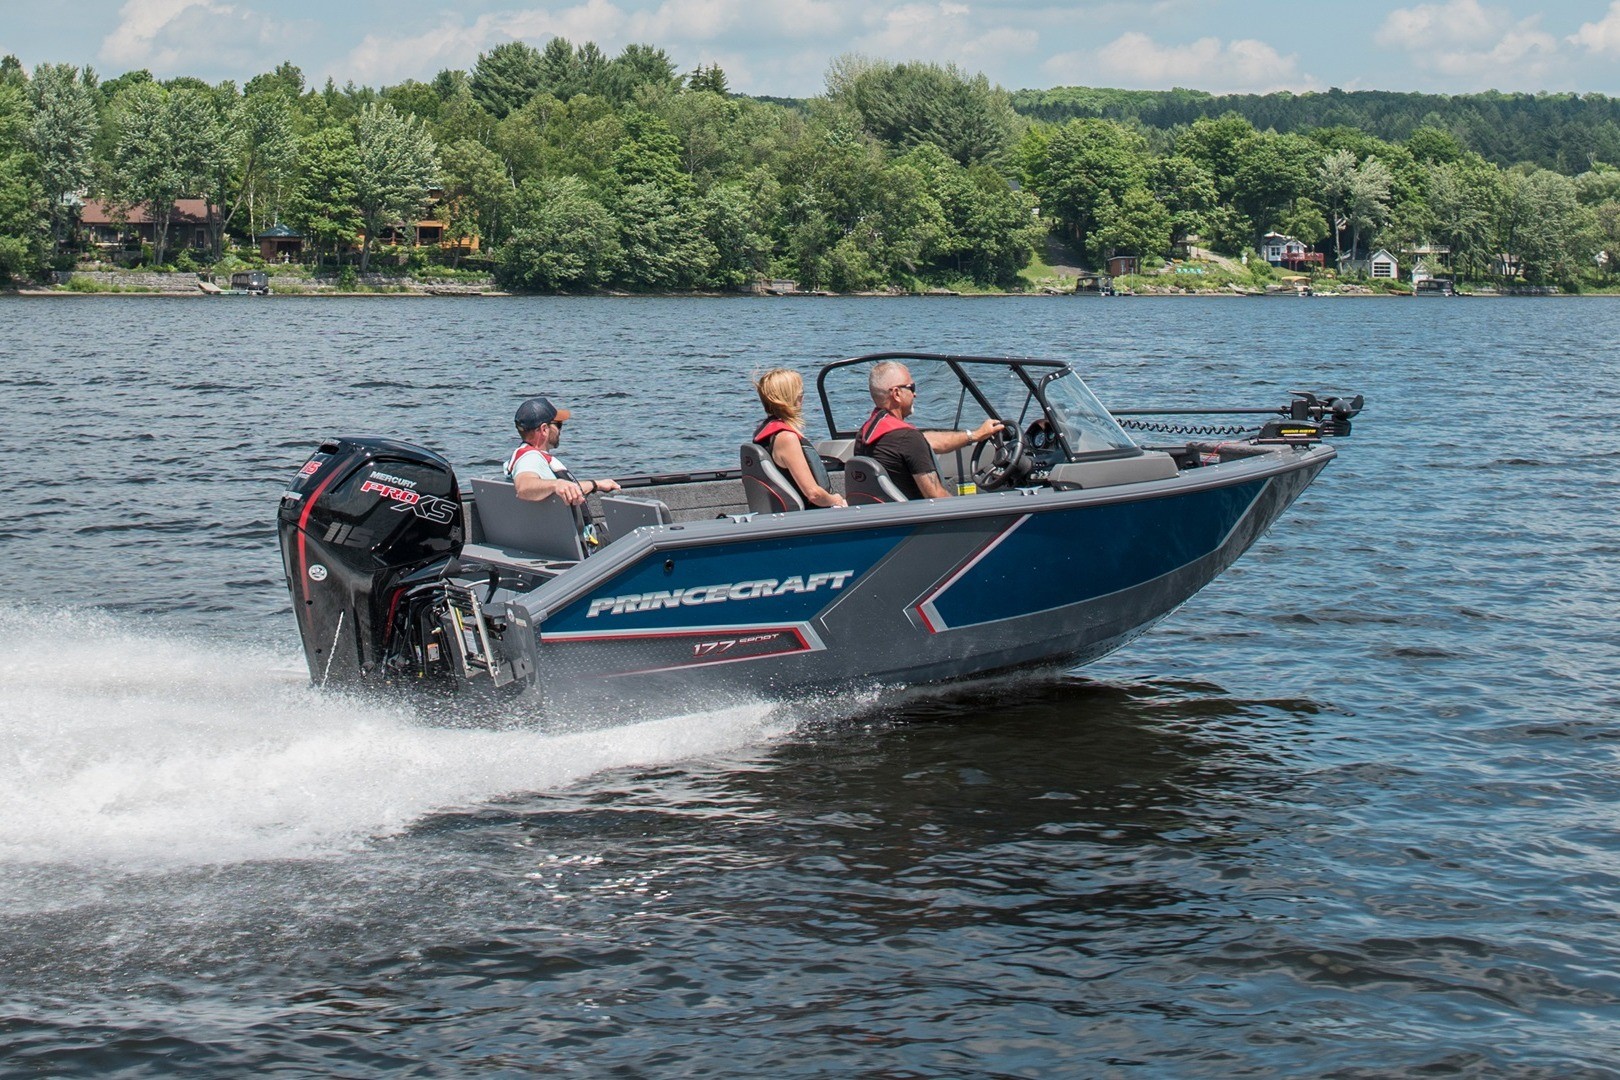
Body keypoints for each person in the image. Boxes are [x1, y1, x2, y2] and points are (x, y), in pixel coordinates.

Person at [854, 360, 1004, 500]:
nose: (915, 394)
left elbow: (925, 441)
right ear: (897, 394)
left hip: (887, 514)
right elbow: (936, 497)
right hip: (917, 517)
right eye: (911, 388)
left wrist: (975, 435)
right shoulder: (908, 439)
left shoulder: (866, 434)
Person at [752, 369, 846, 508]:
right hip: (811, 515)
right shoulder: (786, 438)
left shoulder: (765, 433)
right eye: (800, 394)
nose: (803, 399)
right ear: (790, 399)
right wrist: (836, 500)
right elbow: (814, 494)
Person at [505, 396, 620, 506]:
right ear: (544, 429)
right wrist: (557, 484)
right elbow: (524, 487)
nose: (560, 430)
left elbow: (567, 487)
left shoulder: (530, 457)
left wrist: (595, 484)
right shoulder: (530, 457)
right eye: (558, 425)